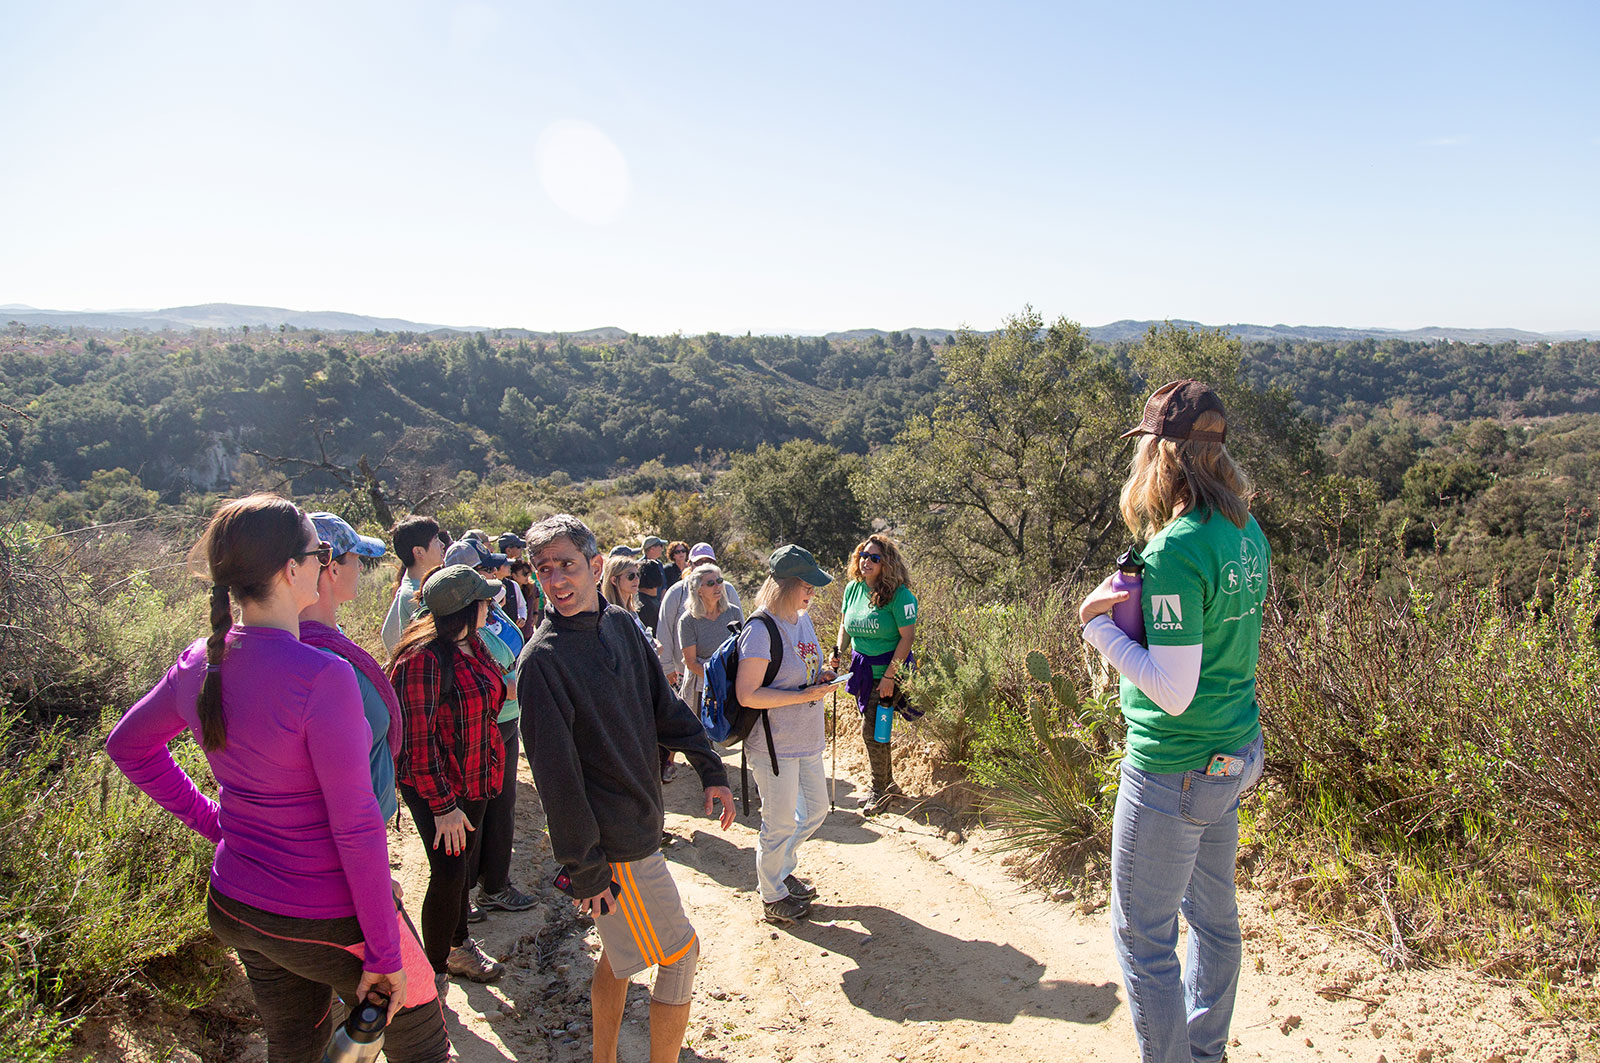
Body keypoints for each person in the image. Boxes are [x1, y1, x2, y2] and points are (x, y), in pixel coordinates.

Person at [106, 493, 449, 1062]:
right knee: (421, 1037)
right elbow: (356, 826)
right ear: (293, 569)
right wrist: (386, 955)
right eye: (319, 553)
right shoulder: (322, 676)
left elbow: (129, 747)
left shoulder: (200, 661)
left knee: (296, 1045)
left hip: (237, 899)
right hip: (320, 912)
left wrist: (217, 824)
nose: (325, 562)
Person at [1077, 379, 1269, 1063]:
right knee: (1215, 923)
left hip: (1173, 769)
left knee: (1143, 937)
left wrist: (1095, 625)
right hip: (1232, 756)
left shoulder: (1177, 550)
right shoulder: (1245, 533)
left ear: (1162, 454)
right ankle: (1205, 1052)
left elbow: (1174, 689)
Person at [517, 514, 735, 1063]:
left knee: (617, 957)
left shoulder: (619, 624)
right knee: (681, 953)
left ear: (596, 567)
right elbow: (556, 780)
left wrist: (709, 765)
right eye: (544, 570)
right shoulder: (541, 663)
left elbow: (663, 709)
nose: (556, 580)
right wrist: (585, 866)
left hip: (639, 823)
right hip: (615, 846)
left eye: (566, 565)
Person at [389, 564, 508, 985]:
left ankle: (458, 948)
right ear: (465, 608)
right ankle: (433, 974)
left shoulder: (472, 643)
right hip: (438, 785)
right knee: (449, 873)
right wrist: (443, 808)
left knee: (460, 870)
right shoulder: (420, 661)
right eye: (483, 599)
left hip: (474, 774)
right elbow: (417, 745)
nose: (490, 604)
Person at [735, 544, 837, 925]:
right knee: (778, 822)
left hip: (806, 738)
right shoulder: (760, 630)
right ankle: (772, 893)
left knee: (814, 811)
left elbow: (807, 668)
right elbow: (747, 694)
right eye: (807, 585)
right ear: (785, 584)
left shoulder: (802, 619)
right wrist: (803, 695)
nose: (813, 591)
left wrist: (820, 679)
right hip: (773, 745)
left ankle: (779, 870)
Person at [300, 511, 402, 821]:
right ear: (331, 568)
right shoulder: (319, 659)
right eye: (356, 557)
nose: (360, 566)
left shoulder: (330, 641)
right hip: (350, 842)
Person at [829, 534, 918, 816]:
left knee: (873, 732)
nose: (866, 561)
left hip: (889, 674)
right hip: (862, 672)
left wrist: (891, 676)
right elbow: (845, 625)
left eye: (874, 558)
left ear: (886, 563)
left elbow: (907, 638)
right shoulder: (853, 590)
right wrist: (838, 651)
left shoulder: (900, 596)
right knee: (876, 731)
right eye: (863, 556)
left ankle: (880, 789)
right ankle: (887, 784)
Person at [468, 557, 537, 919]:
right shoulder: (460, 640)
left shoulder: (491, 620)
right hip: (481, 729)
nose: (492, 598)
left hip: (507, 722)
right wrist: (504, 686)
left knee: (501, 806)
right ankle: (462, 893)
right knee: (474, 811)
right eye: (484, 597)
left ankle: (495, 885)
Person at [657, 542, 741, 688]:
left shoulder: (728, 592)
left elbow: (742, 637)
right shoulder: (675, 593)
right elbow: (665, 629)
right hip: (687, 676)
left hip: (730, 680)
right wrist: (666, 666)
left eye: (708, 562)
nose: (704, 566)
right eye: (699, 562)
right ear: (689, 564)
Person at [676, 562, 742, 718]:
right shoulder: (688, 621)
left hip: (733, 684)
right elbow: (691, 663)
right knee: (705, 737)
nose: (717, 586)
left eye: (719, 581)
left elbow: (744, 647)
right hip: (703, 688)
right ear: (699, 590)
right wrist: (717, 680)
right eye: (711, 583)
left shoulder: (733, 612)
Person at [382, 516, 445, 656]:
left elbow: (387, 633)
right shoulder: (415, 595)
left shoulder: (409, 587)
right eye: (436, 540)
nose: (442, 545)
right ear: (418, 552)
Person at [637, 535, 668, 632]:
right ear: (652, 548)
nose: (662, 549)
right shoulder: (639, 565)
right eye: (660, 546)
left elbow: (663, 585)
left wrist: (660, 603)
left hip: (656, 604)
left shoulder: (658, 564)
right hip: (644, 605)